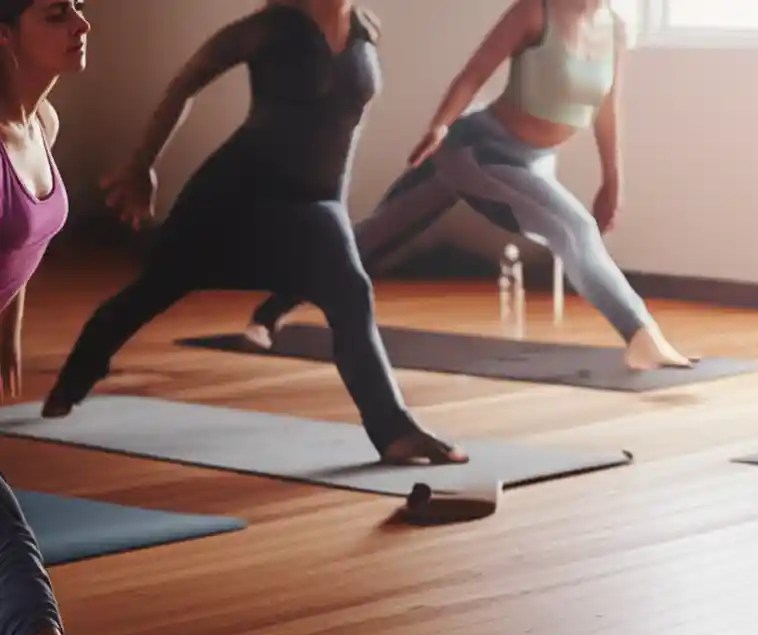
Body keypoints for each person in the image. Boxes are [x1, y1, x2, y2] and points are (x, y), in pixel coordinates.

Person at [40, 0, 468, 465]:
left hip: (314, 203)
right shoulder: (268, 27)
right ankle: (76, 377)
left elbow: (346, 127)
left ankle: (394, 431)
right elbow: (185, 83)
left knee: (351, 291)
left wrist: (337, 215)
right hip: (234, 194)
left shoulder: (365, 30)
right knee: (157, 286)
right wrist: (141, 164)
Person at [242, 0, 697, 371]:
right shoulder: (534, 12)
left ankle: (269, 312)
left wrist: (612, 181)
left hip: (535, 162)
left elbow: (606, 110)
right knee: (574, 229)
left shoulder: (615, 28)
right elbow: (473, 75)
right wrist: (440, 127)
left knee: (372, 237)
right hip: (478, 150)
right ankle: (640, 334)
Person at [0, 1, 116, 635]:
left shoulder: (43, 126)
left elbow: (23, 238)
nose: (80, 21)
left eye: (78, 4)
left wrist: (10, 328)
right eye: (54, 12)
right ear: (4, 36)